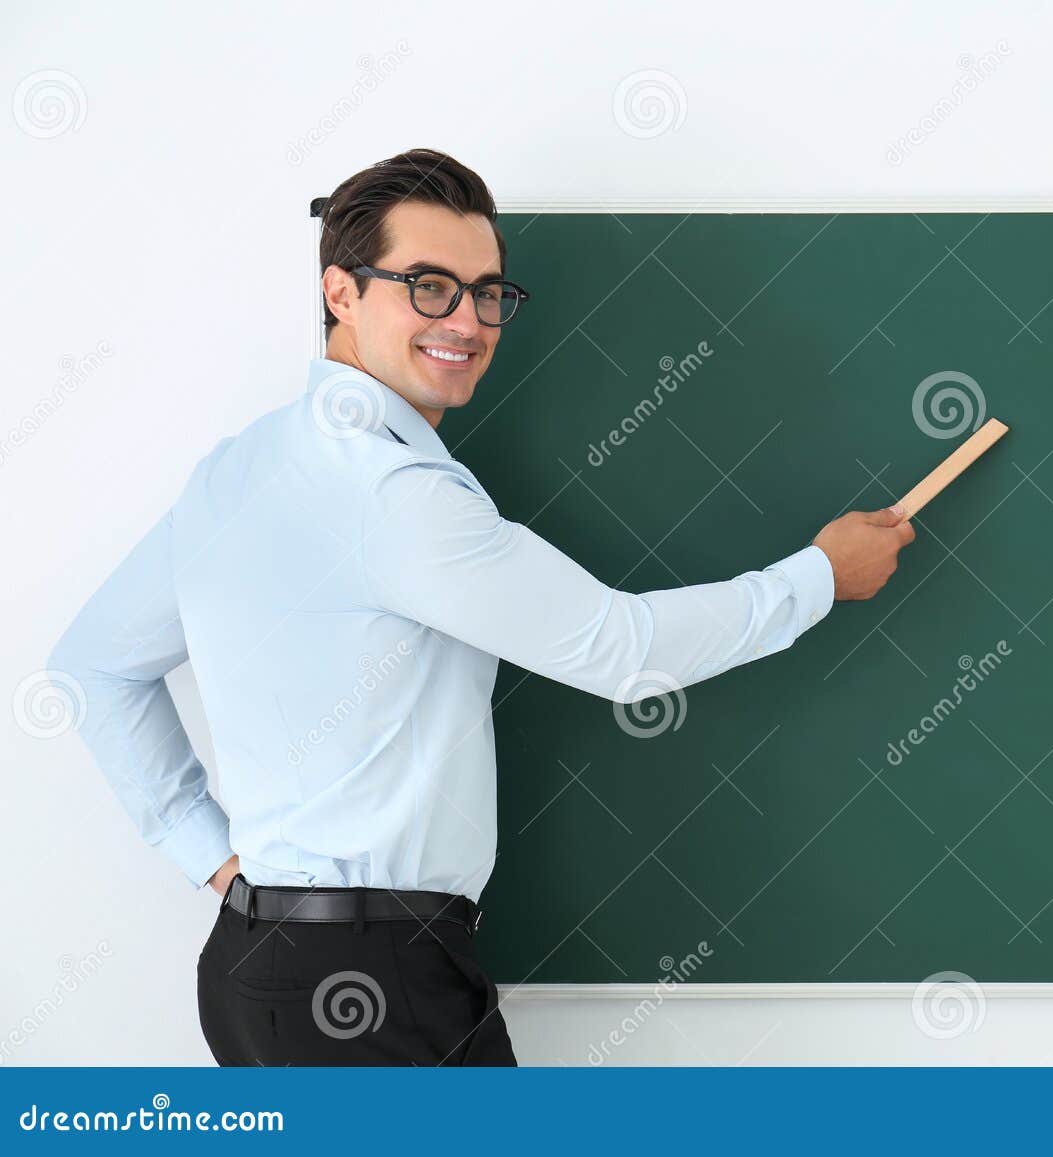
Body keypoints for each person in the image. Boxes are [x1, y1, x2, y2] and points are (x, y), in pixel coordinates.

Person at [47, 148, 916, 1066]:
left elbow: (91, 665)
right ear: (341, 292)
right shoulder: (397, 492)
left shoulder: (237, 468)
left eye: (486, 292)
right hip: (371, 982)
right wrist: (821, 575)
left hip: (256, 966)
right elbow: (623, 651)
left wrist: (218, 863)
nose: (466, 319)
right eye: (428, 286)